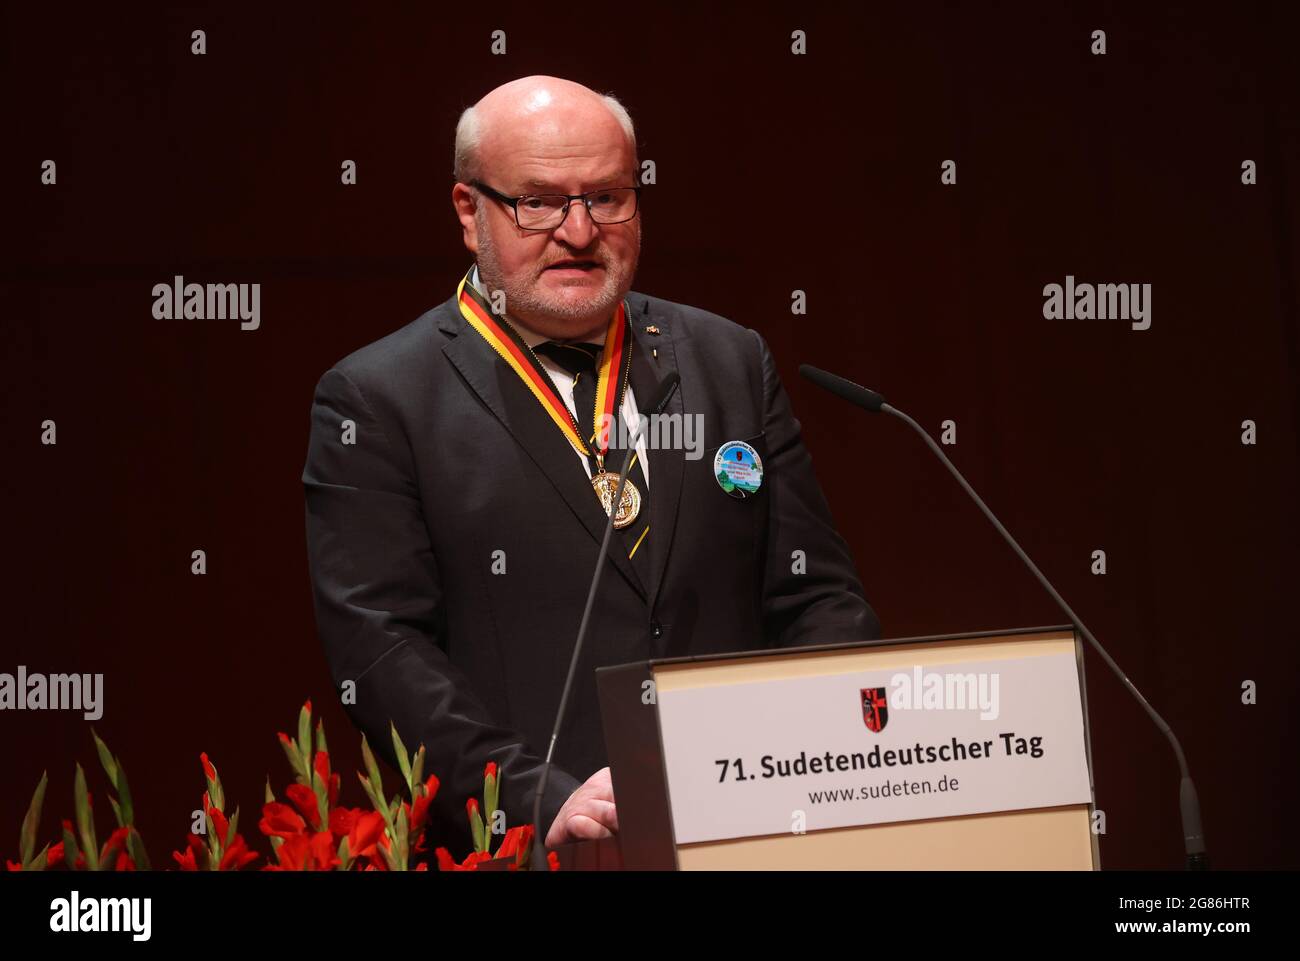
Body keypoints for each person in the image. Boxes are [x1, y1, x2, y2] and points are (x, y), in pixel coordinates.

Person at [302, 75, 881, 858]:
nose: (579, 231)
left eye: (607, 196)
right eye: (537, 202)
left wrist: (810, 763)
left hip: (748, 834)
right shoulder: (379, 399)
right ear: (469, 212)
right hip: (540, 847)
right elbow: (384, 652)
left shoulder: (728, 359)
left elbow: (819, 599)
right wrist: (538, 800)